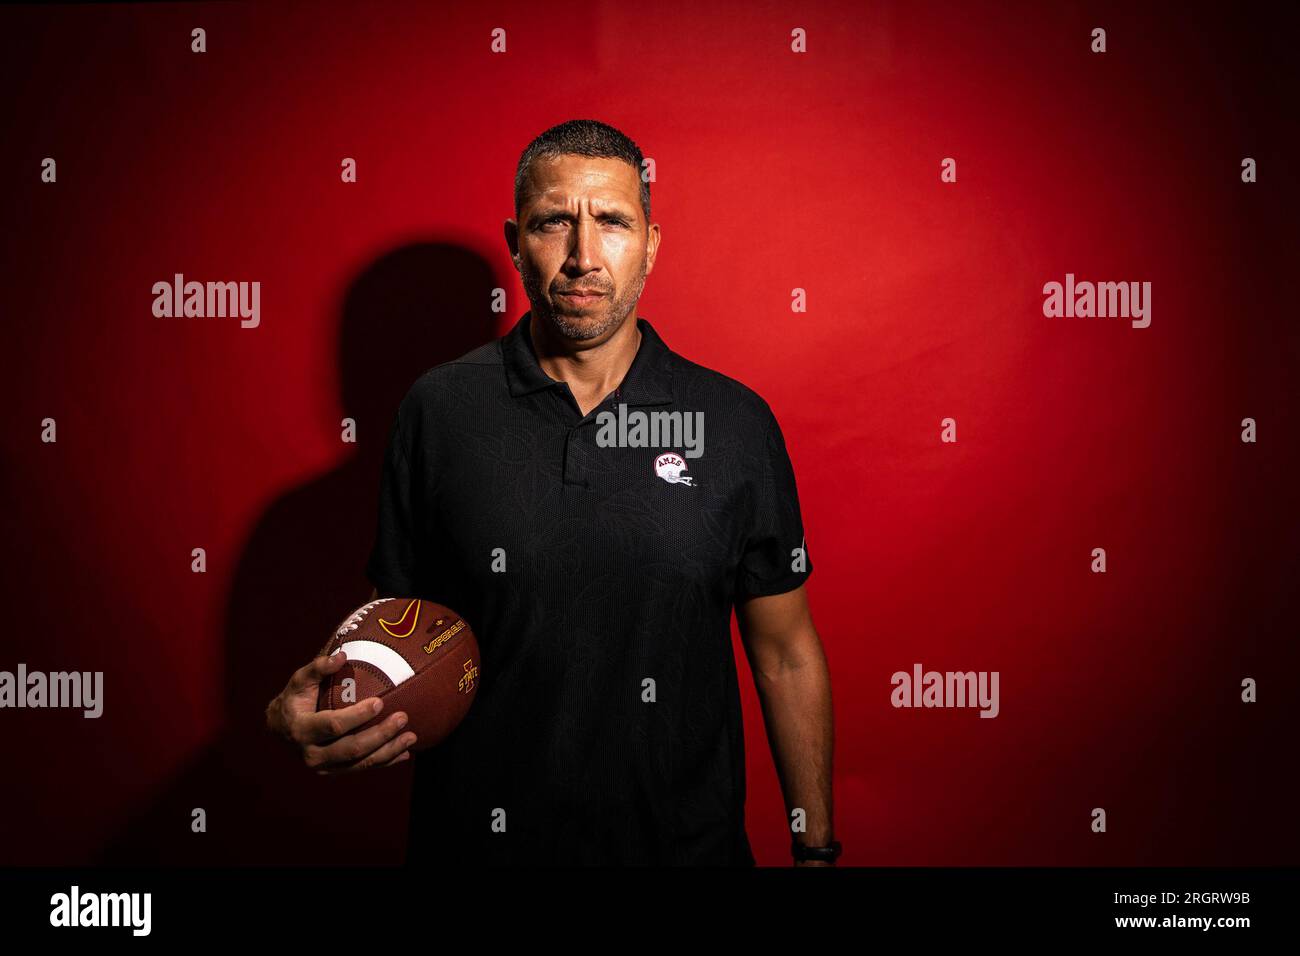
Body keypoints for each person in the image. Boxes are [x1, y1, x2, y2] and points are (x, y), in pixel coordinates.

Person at [266, 119, 837, 866]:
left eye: (612, 222)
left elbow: (787, 653)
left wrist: (816, 849)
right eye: (552, 223)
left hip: (685, 851)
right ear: (514, 241)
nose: (583, 256)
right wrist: (307, 713)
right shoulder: (438, 412)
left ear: (652, 244)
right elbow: (396, 638)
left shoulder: (731, 423)